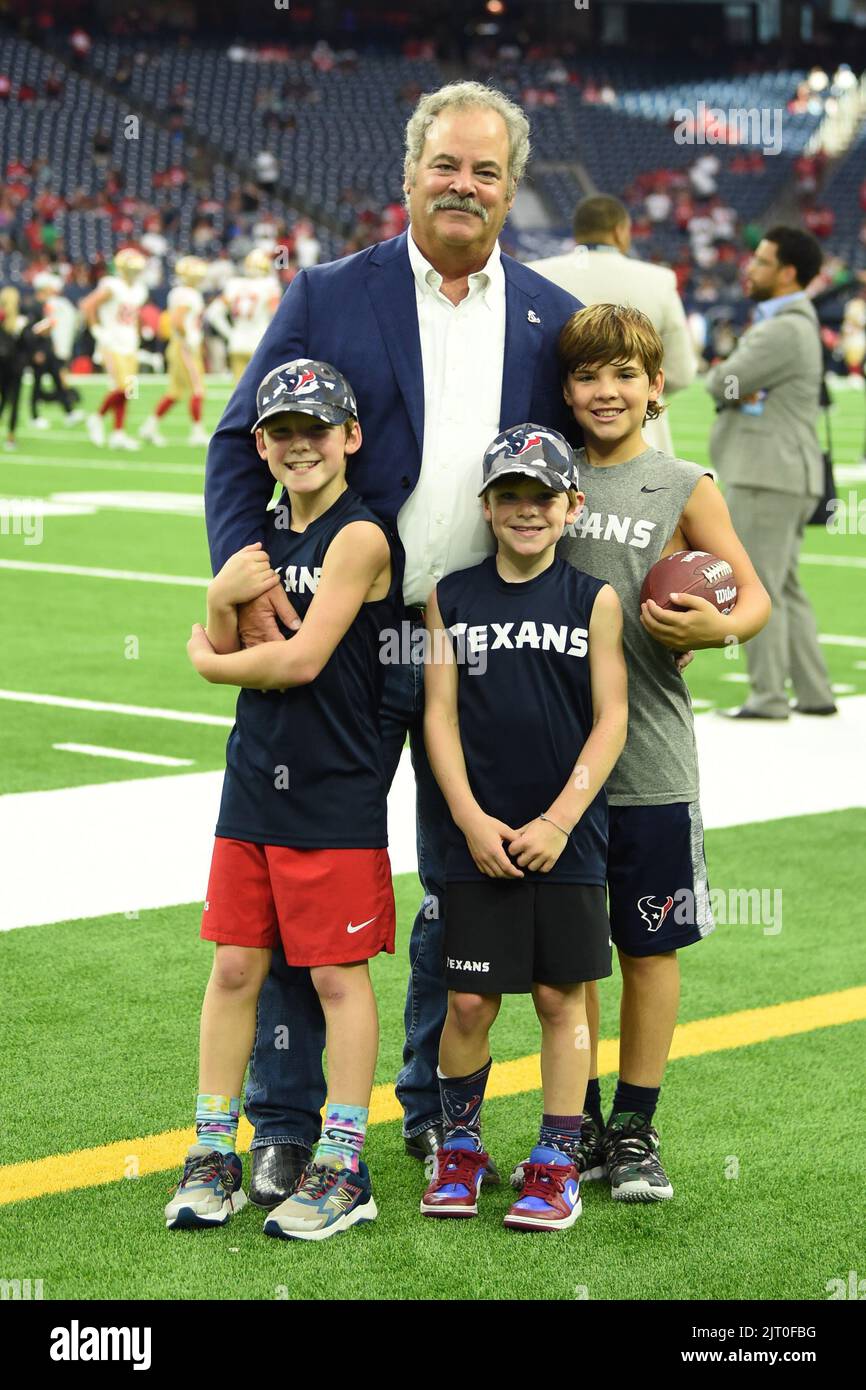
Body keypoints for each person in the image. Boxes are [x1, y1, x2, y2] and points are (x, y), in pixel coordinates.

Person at [204, 81, 582, 1211]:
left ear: (510, 188)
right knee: (294, 879)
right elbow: (237, 443)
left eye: (485, 170)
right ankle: (280, 1126)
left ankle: (423, 1107)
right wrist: (250, 571)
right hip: (347, 641)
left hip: (482, 647)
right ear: (409, 172)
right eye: (445, 165)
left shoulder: (549, 313)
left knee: (451, 883)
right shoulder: (328, 292)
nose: (462, 184)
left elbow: (591, 464)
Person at [166, 359, 400, 1241]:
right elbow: (235, 627)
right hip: (250, 781)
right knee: (233, 969)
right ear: (261, 444)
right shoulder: (257, 538)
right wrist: (222, 600)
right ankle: (214, 1150)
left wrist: (208, 653)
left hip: (335, 787)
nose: (302, 445)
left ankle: (343, 1164)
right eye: (284, 432)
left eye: (319, 429)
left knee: (338, 976)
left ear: (351, 437)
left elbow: (298, 662)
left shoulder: (360, 538)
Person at [556, 303, 771, 1200]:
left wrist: (718, 629)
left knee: (648, 949)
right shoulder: (539, 472)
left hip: (647, 756)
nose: (605, 392)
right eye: (586, 376)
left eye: (623, 376)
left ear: (653, 387)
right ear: (566, 389)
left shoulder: (684, 481)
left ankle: (637, 1129)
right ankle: (581, 1121)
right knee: (569, 961)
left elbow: (751, 592)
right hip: (554, 765)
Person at [420, 425, 627, 1230]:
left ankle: (554, 1160)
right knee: (469, 1000)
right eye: (510, 495)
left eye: (542, 496)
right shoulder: (452, 595)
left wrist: (560, 819)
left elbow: (611, 720)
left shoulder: (593, 599)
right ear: (486, 506)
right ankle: (462, 1150)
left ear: (570, 506)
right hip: (479, 837)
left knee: (556, 995)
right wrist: (470, 820)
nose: (526, 510)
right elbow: (437, 716)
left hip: (567, 837)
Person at [704, 226, 836, 720]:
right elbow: (739, 386)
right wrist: (740, 388)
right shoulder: (791, 324)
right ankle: (815, 691)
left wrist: (731, 385)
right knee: (786, 587)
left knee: (754, 583)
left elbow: (722, 382)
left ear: (787, 273)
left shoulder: (783, 327)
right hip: (781, 472)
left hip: (767, 473)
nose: (750, 268)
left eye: (760, 261)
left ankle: (767, 696)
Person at [528, 195, 696, 456]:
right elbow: (682, 371)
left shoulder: (534, 274)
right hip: (639, 434)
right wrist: (629, 380)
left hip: (552, 439)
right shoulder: (658, 280)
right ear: (620, 231)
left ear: (577, 232)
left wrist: (582, 383)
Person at [81, 247, 148, 451]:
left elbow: (133, 315)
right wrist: (96, 330)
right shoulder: (112, 285)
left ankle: (119, 433)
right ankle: (97, 417)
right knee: (121, 387)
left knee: (130, 391)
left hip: (129, 343)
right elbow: (88, 305)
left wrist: (140, 331)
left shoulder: (139, 289)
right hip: (111, 342)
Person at [139, 256, 209, 447]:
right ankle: (196, 431)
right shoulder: (188, 294)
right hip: (184, 347)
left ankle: (150, 426)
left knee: (176, 392)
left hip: (179, 346)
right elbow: (177, 320)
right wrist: (188, 339)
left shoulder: (180, 292)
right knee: (197, 389)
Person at [204, 248, 281, 383]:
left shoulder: (234, 284)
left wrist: (230, 333)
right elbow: (276, 316)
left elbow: (212, 314)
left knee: (239, 392)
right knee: (261, 390)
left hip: (237, 343)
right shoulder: (270, 285)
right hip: (259, 342)